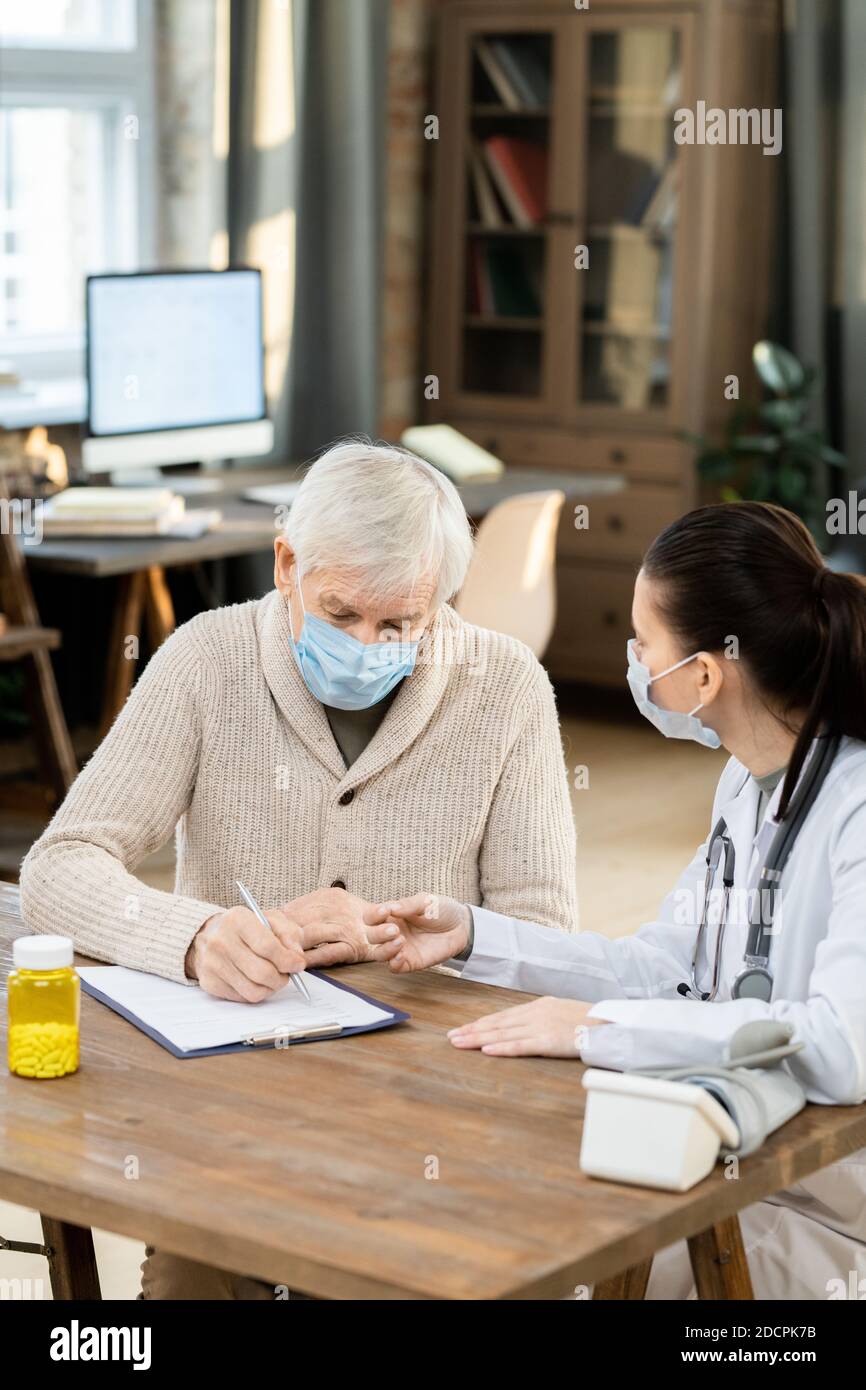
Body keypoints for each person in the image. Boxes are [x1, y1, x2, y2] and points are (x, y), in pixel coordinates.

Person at [20, 437, 577, 1299]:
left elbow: (547, 945)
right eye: (342, 614)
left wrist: (432, 944)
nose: (368, 645)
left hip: (427, 1116)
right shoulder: (207, 659)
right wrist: (197, 935)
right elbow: (62, 864)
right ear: (287, 564)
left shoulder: (504, 687)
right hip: (225, 1108)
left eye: (400, 624)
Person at [368, 502, 866, 1300]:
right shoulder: (746, 782)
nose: (632, 659)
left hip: (827, 1218)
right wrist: (473, 937)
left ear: (704, 675)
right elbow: (660, 966)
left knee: (540, 1273)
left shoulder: (856, 807)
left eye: (644, 643)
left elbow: (841, 1047)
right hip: (728, 1165)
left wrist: (606, 1029)